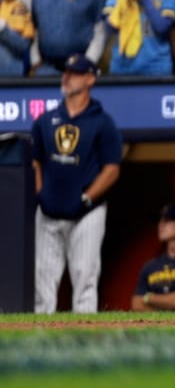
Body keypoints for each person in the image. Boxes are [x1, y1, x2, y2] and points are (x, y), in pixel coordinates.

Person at [32, 53, 122, 313]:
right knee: (42, 280)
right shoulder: (46, 120)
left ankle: (84, 339)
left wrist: (88, 197)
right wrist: (41, 192)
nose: (67, 77)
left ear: (90, 79)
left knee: (85, 278)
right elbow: (35, 160)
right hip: (49, 213)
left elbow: (112, 169)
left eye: (75, 73)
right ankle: (40, 341)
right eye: (67, 72)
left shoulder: (102, 122)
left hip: (87, 213)